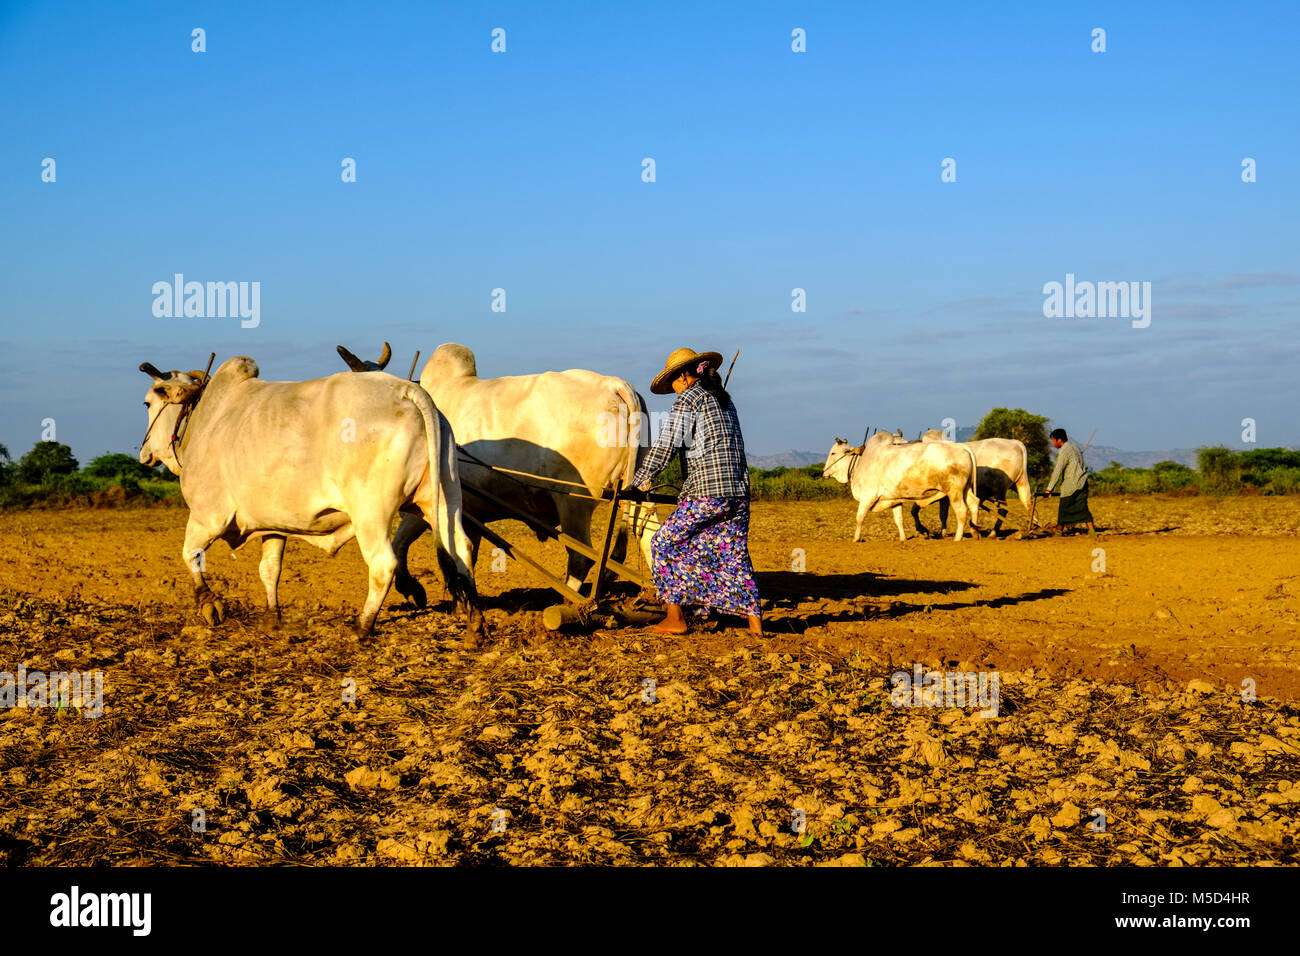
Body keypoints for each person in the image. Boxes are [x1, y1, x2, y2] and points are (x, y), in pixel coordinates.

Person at [629, 347, 763, 636]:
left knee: (663, 543)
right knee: (733, 552)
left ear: (684, 377)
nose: (675, 390)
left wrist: (640, 479)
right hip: (738, 493)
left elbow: (667, 445)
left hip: (708, 493)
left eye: (675, 384)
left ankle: (675, 617)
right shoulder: (725, 399)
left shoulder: (689, 399)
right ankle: (755, 624)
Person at [1040, 428, 1096, 535]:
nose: (1053, 443)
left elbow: (1057, 471)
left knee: (1064, 509)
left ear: (1059, 440)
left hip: (1072, 485)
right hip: (1083, 483)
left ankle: (1059, 532)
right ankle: (1092, 530)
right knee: (1082, 508)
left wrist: (1049, 489)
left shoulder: (1064, 451)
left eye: (1053, 440)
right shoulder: (1075, 448)